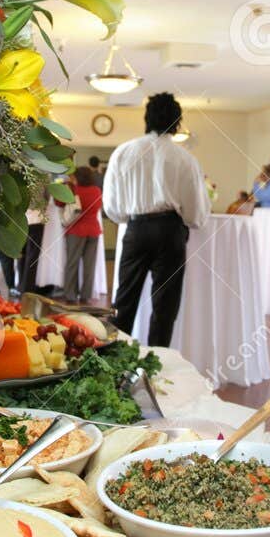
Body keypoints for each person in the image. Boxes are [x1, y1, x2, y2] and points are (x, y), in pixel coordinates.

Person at [104, 92, 211, 346]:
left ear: (147, 118)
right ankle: (155, 366)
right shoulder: (186, 159)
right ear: (177, 122)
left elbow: (113, 208)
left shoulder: (123, 152)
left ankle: (115, 365)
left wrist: (130, 217)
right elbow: (196, 215)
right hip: (170, 231)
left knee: (124, 302)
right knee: (165, 306)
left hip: (136, 230)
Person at [62, 166, 104, 303]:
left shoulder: (74, 190)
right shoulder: (97, 190)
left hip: (76, 230)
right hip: (93, 230)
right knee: (89, 266)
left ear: (78, 177)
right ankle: (86, 295)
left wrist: (65, 186)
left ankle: (70, 295)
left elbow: (58, 202)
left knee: (72, 264)